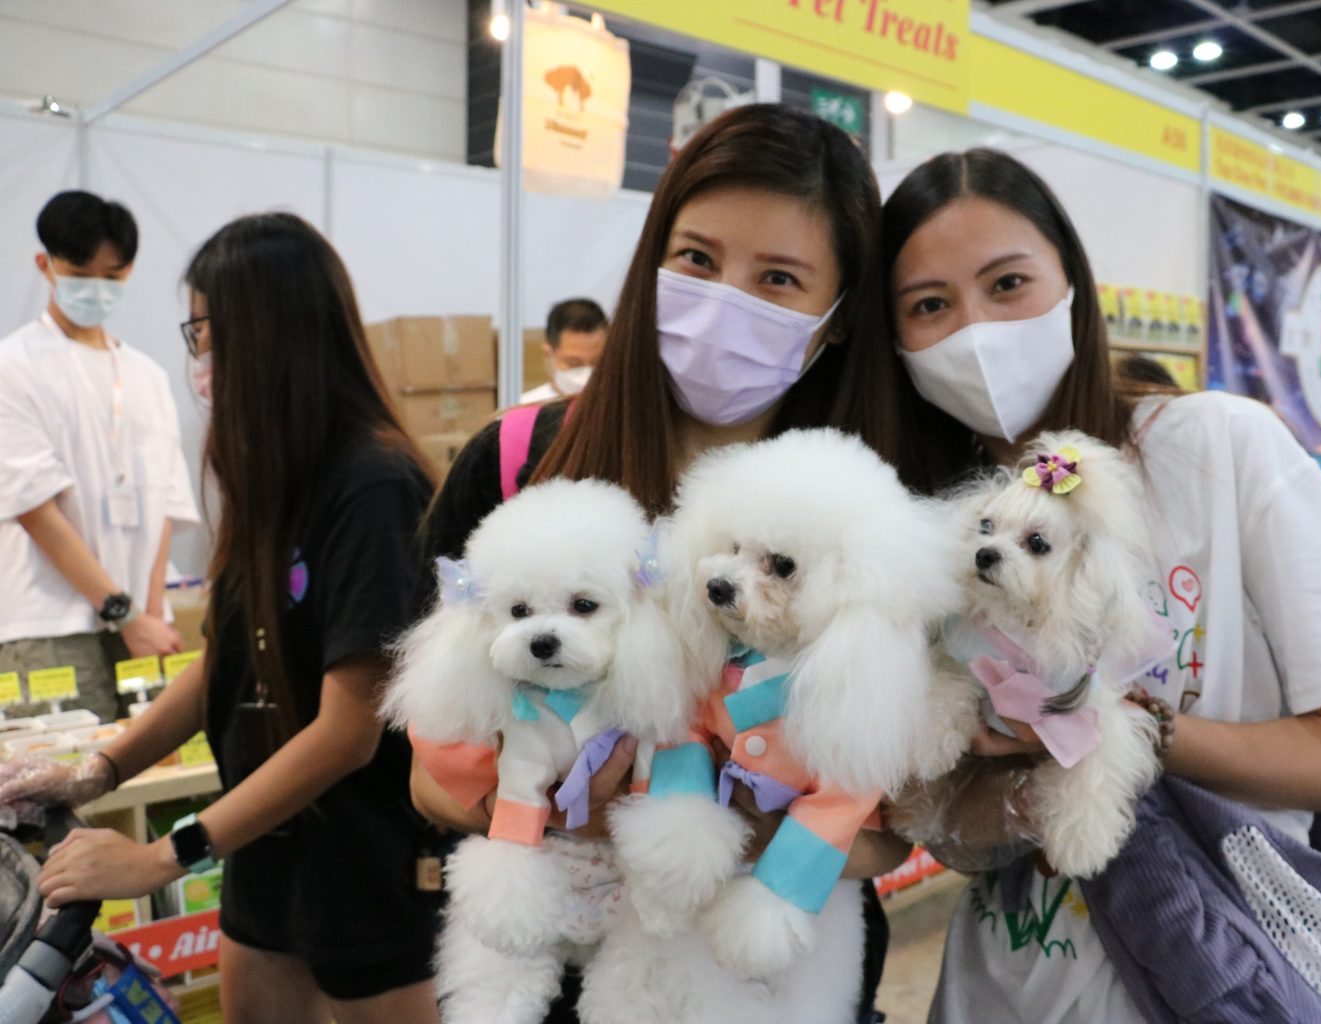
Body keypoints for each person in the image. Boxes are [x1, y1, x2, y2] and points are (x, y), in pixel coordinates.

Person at [411, 103, 937, 1024]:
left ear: (841, 316)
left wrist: (737, 833)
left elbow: (899, 827)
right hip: (564, 977)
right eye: (696, 259)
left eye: (779, 278)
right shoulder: (520, 461)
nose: (727, 298)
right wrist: (545, 806)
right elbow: (424, 773)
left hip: (773, 977)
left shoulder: (874, 517)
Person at [883, 149, 1321, 1023]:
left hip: (1229, 968)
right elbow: (936, 825)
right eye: (930, 305)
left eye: (1008, 283)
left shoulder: (1218, 447)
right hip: (1005, 987)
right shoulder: (932, 530)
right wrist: (1016, 789)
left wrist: (1121, 726)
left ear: (1071, 287)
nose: (975, 331)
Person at [6, 214, 443, 1024]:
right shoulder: (274, 475)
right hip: (265, 847)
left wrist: (162, 856)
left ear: (269, 333)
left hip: (364, 862)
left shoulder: (373, 486)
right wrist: (100, 771)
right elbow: (225, 658)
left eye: (206, 332)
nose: (198, 359)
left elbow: (348, 731)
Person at [0, 190, 195, 721]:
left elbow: (165, 506)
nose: (98, 289)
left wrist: (149, 611)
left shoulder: (149, 376)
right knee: (56, 785)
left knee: (159, 775)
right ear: (46, 265)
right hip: (48, 623)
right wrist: (123, 612)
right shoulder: (13, 366)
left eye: (112, 276)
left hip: (143, 625)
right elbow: (34, 508)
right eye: (81, 273)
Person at [519, 297, 608, 403]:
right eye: (574, 363)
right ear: (549, 354)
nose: (587, 375)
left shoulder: (623, 407)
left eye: (597, 363)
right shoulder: (525, 409)